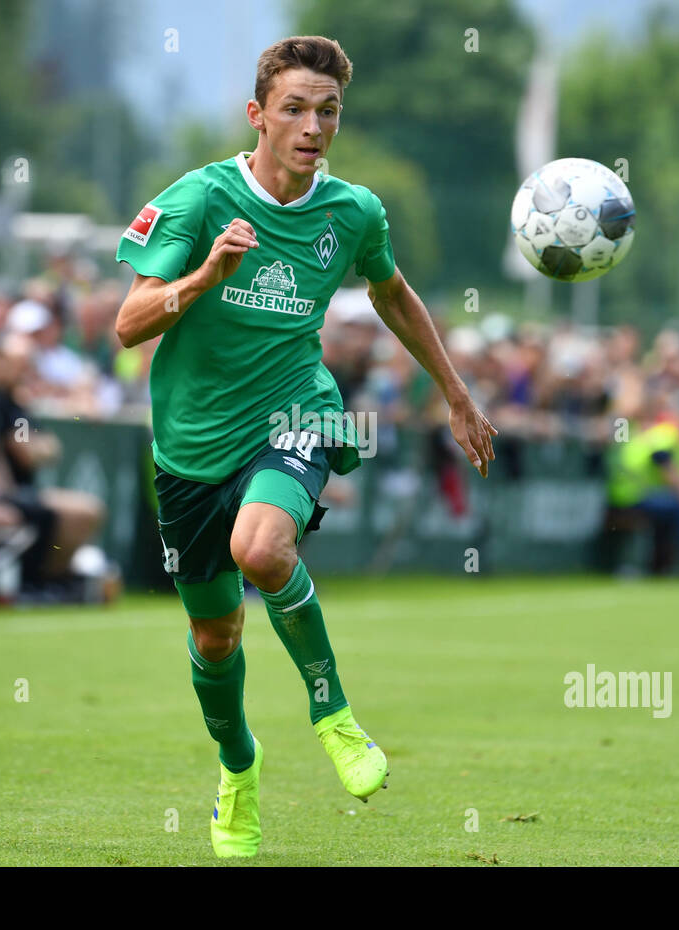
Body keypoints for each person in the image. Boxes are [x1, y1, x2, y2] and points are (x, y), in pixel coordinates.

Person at [114, 35, 496, 858]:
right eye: (294, 108)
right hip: (189, 450)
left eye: (328, 111)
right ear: (258, 116)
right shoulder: (196, 199)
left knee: (261, 547)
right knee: (216, 638)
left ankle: (333, 713)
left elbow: (393, 293)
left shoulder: (353, 211)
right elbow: (127, 324)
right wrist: (203, 278)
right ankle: (238, 766)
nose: (312, 125)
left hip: (297, 414)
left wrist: (456, 394)